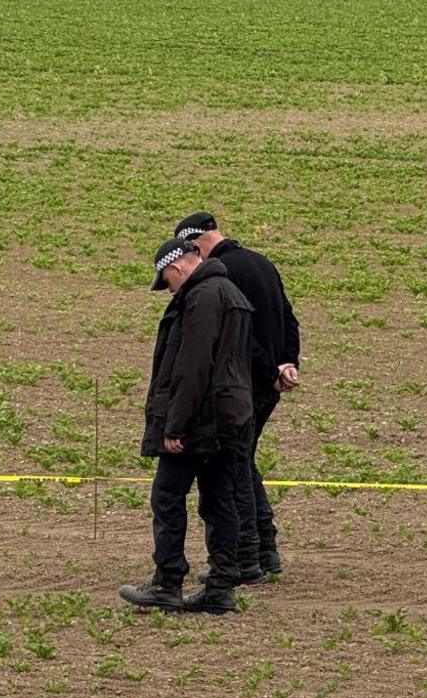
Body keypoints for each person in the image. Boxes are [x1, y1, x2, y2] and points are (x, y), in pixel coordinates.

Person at [119, 235, 255, 616]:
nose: (168, 289)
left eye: (166, 280)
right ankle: (221, 586)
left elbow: (193, 367)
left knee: (166, 495)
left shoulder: (202, 298)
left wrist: (175, 426)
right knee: (219, 498)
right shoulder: (231, 293)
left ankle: (167, 581)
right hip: (230, 416)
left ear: (176, 267)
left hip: (201, 420)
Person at [174, 213, 300, 583]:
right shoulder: (261, 262)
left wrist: (268, 372)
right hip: (269, 382)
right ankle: (266, 550)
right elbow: (289, 317)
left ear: (197, 243)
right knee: (244, 462)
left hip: (247, 385)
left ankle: (250, 557)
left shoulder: (223, 273)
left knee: (235, 468)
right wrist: (287, 362)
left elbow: (241, 336)